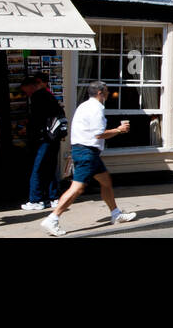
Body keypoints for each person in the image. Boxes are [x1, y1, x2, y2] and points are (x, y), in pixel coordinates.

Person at [41, 81, 135, 236]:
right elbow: (98, 134)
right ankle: (52, 219)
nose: (108, 94)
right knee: (77, 188)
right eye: (106, 91)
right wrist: (119, 130)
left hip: (85, 151)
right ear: (100, 93)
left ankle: (115, 214)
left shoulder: (84, 106)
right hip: (87, 152)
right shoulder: (96, 109)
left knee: (106, 182)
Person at [20, 75, 64, 210]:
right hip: (54, 137)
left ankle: (36, 200)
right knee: (50, 166)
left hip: (43, 138)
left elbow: (37, 120)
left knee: (37, 168)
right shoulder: (49, 96)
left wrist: (26, 128)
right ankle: (54, 197)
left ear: (32, 86)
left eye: (26, 90)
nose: (26, 94)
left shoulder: (37, 96)